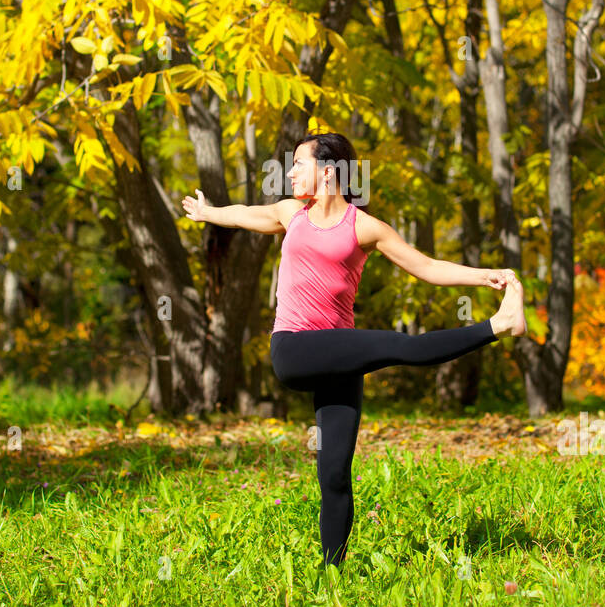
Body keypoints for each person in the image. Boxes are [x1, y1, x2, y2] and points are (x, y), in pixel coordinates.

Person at [181, 131, 526, 569]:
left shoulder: (364, 228)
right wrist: (208, 212)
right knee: (405, 346)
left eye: (298, 164)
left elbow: (427, 266)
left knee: (335, 475)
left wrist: (486, 276)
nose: (289, 173)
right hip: (294, 349)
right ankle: (498, 325)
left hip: (340, 360)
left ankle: (332, 576)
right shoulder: (292, 214)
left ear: (327, 171)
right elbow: (246, 214)